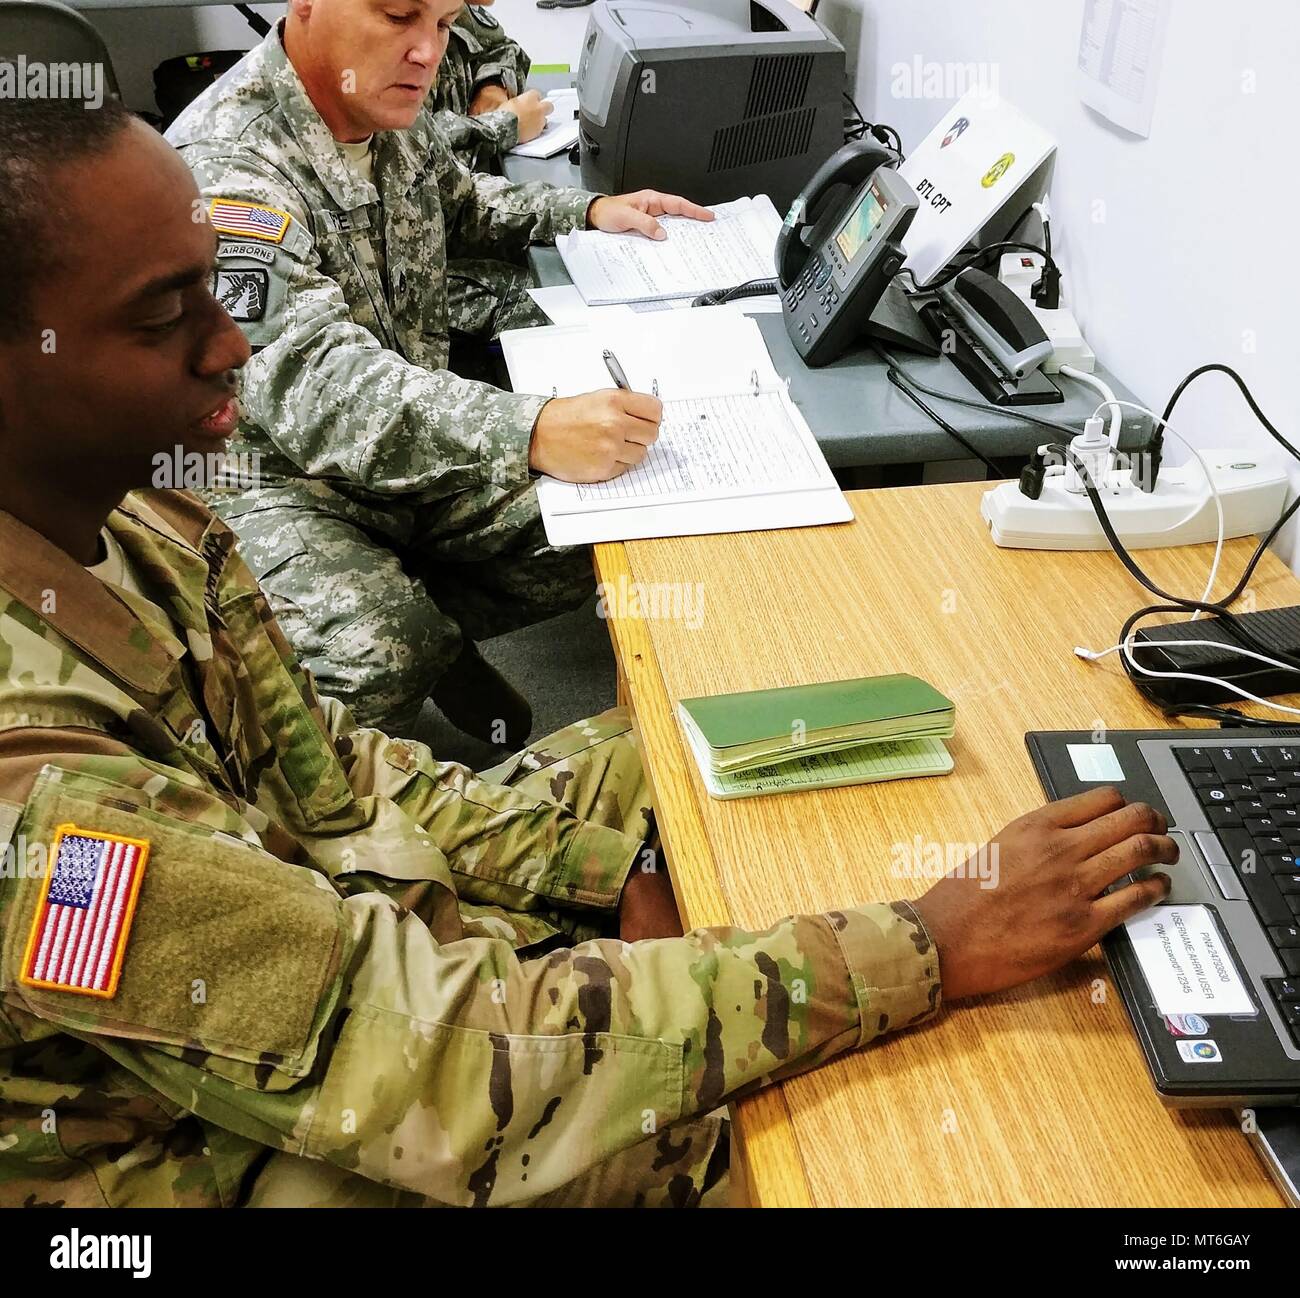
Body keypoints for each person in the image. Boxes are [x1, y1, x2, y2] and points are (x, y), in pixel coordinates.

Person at [0, 96, 1177, 1210]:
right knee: (808, 1125)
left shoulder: (139, 517)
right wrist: (927, 945)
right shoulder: (41, 805)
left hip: (323, 946)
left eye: (216, 290)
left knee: (682, 733)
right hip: (196, 1151)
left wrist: (607, 866)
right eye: (164, 317)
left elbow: (335, 781)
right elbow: (424, 1059)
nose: (229, 343)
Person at [165, 0, 714, 744]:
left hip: (397, 440)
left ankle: (424, 627)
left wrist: (586, 211)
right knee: (374, 654)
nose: (428, 50)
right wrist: (532, 428)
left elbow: (457, 202)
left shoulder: (383, 104)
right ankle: (309, 820)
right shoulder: (228, 169)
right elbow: (313, 386)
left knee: (606, 528)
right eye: (398, 14)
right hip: (265, 476)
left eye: (446, 21)